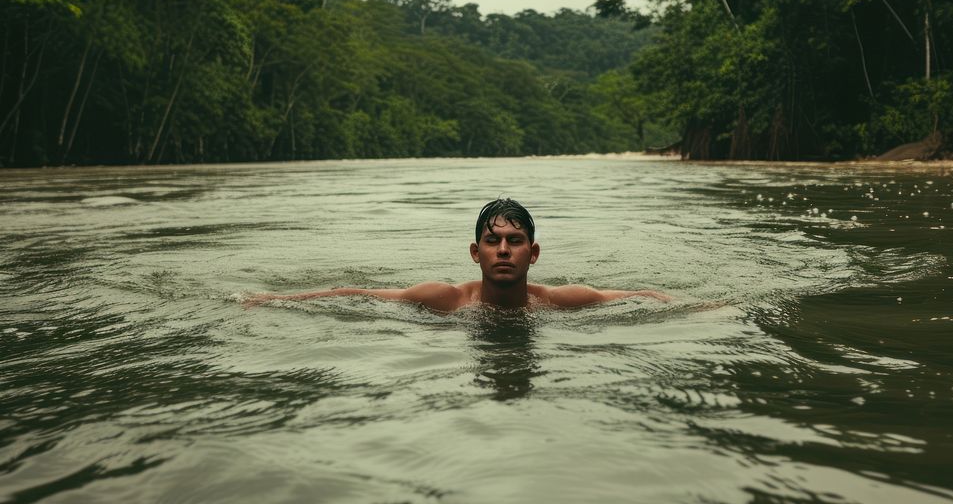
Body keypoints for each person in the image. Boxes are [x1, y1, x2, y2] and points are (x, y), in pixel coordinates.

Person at [243, 198, 671, 312]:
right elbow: (354, 293)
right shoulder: (444, 299)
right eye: (492, 241)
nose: (503, 250)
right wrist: (276, 300)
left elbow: (644, 295)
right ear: (475, 252)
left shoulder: (559, 301)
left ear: (533, 253)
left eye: (515, 241)